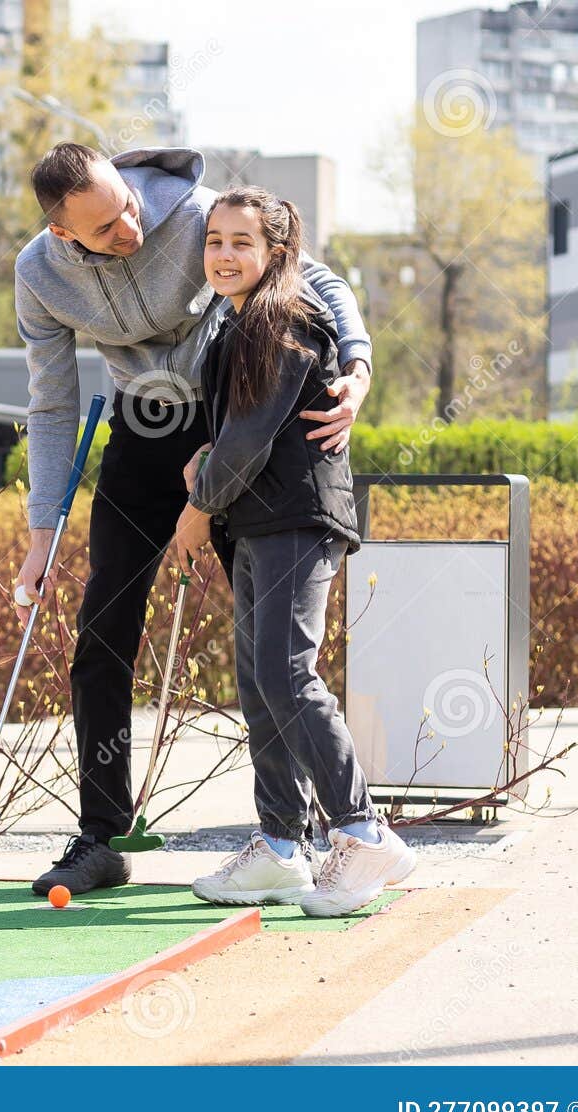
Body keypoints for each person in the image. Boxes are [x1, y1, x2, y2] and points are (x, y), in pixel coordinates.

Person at [13, 142, 374, 897]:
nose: (130, 230)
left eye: (128, 208)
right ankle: (101, 837)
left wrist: (358, 370)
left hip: (233, 424)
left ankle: (291, 835)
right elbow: (48, 406)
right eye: (106, 230)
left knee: (268, 648)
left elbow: (317, 277)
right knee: (101, 628)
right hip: (141, 435)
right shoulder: (39, 276)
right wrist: (41, 533)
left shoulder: (200, 217)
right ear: (62, 235)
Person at [170, 187, 414, 916]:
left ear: (278, 252)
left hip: (297, 520)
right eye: (215, 241)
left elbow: (251, 440)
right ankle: (281, 846)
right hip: (256, 519)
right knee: (258, 679)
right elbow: (244, 428)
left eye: (241, 242)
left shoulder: (285, 318)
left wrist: (196, 508)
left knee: (287, 673)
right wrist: (209, 455)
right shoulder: (237, 322)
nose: (223, 254)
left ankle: (363, 830)